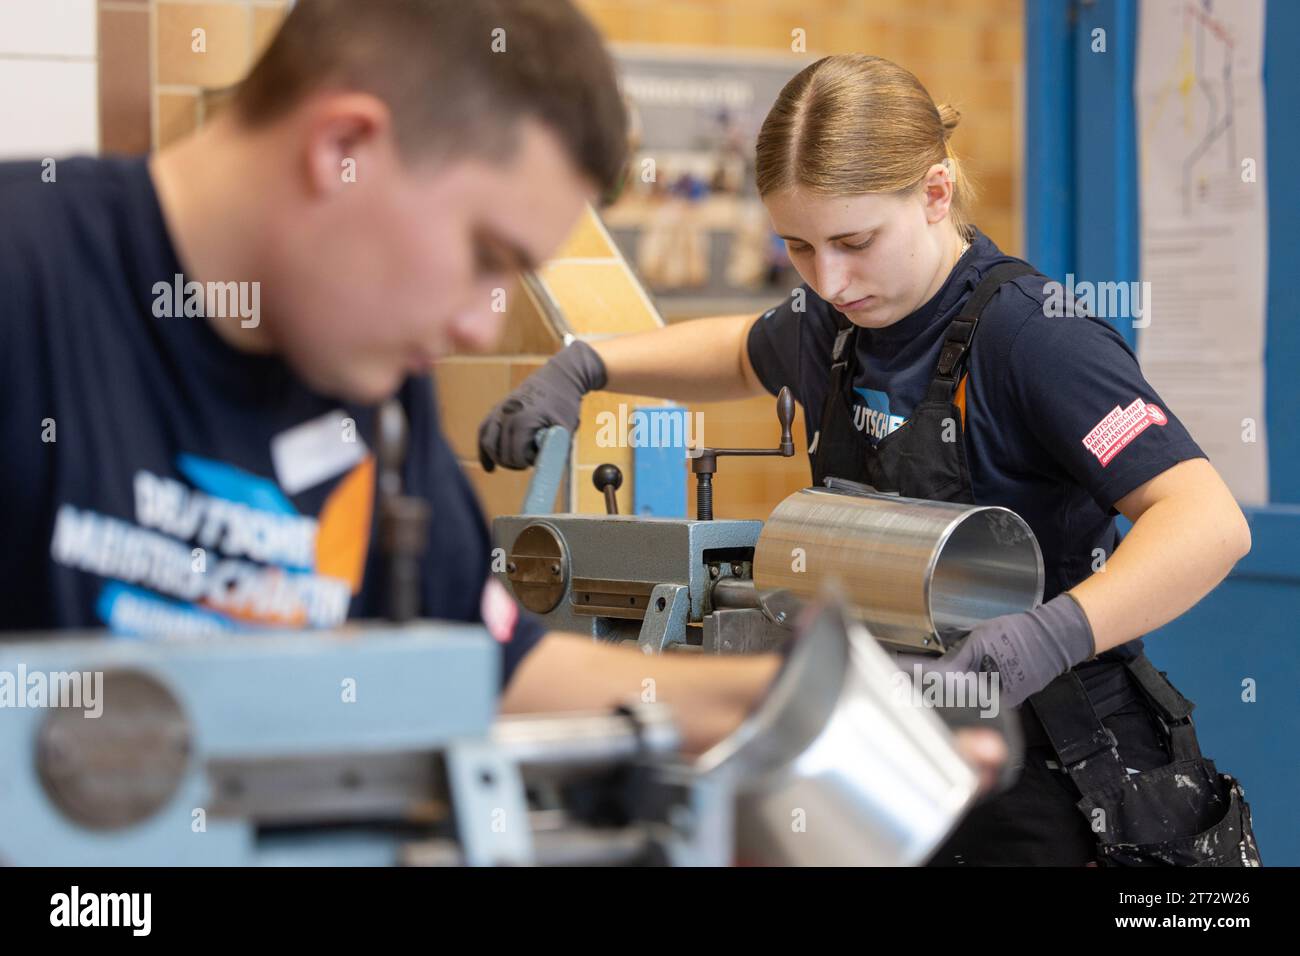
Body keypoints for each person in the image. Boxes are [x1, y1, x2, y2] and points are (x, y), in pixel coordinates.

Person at [0, 0, 1010, 796]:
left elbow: (502, 671)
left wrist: (803, 701)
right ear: (341, 146)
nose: (484, 326)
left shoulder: (367, 392)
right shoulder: (28, 281)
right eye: (484, 255)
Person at [479, 54, 1261, 866]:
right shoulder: (838, 325)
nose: (830, 279)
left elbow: (1207, 523)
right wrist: (589, 365)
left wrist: (1043, 637)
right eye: (800, 247)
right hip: (912, 748)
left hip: (1074, 771)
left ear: (933, 193)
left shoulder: (1038, 336)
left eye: (854, 242)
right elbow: (739, 354)